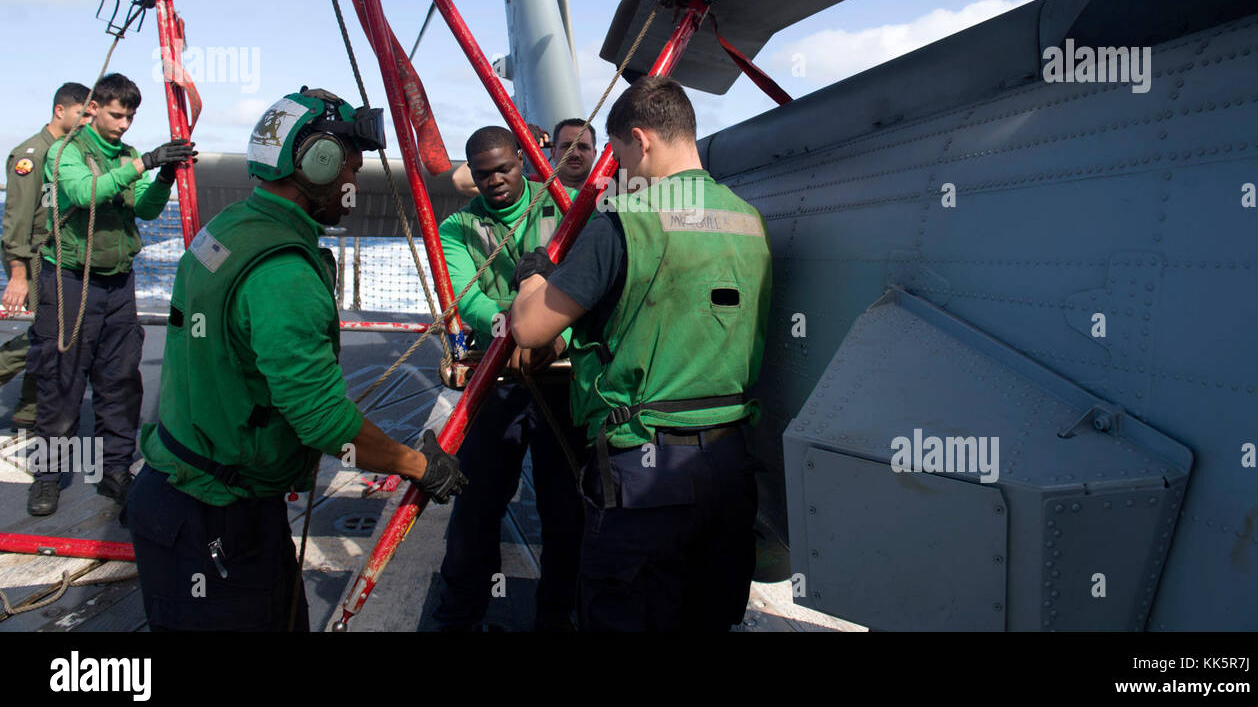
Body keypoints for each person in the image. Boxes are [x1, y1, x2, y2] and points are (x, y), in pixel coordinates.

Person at [125, 88, 465, 632]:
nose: (352, 186)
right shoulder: (285, 271)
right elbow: (322, 419)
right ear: (318, 164)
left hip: (183, 495)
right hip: (217, 520)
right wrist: (419, 466)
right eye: (349, 170)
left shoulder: (232, 226)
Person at [510, 76, 773, 631]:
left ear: (640, 139)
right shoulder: (749, 219)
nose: (620, 171)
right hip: (730, 466)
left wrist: (534, 276)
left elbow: (532, 330)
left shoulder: (624, 221)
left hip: (647, 474)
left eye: (621, 155)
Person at [432, 125, 586, 631]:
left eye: (505, 168)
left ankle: (556, 620)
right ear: (472, 177)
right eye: (483, 174)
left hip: (559, 383)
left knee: (566, 514)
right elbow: (467, 300)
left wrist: (550, 336)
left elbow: (590, 281)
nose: (496, 180)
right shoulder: (456, 228)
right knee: (474, 512)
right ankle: (459, 617)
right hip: (496, 383)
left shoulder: (561, 205)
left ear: (524, 159)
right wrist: (529, 327)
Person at [25, 74, 195, 517]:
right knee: (61, 380)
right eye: (117, 114)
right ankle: (47, 477)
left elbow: (146, 208)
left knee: (120, 381)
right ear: (94, 108)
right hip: (68, 281)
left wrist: (163, 176)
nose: (123, 125)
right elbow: (84, 192)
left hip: (118, 283)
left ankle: (114, 470)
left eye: (131, 117)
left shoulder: (127, 155)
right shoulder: (65, 152)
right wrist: (144, 164)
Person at [1, 83, 89, 429]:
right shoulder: (33, 155)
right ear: (60, 111)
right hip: (35, 256)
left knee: (52, 333)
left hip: (58, 254)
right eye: (81, 114)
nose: (85, 122)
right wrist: (17, 274)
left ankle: (30, 407)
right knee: (45, 333)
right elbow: (17, 218)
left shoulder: (70, 153)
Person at [451, 122, 552, 197]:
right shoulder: (532, 185)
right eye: (564, 146)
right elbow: (461, 180)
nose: (496, 181)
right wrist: (514, 143)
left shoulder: (554, 189)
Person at [549, 118, 597, 190]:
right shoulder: (530, 193)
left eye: (583, 147)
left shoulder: (611, 197)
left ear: (594, 154)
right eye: (567, 146)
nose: (575, 154)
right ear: (553, 153)